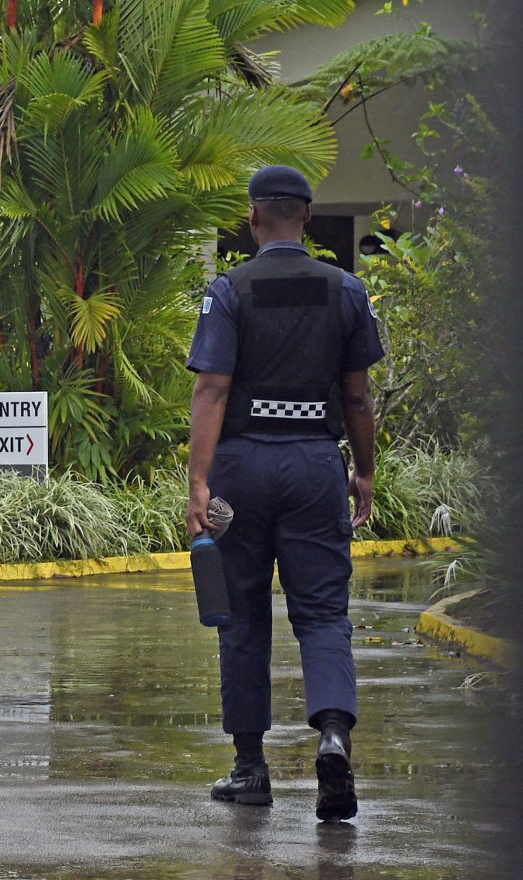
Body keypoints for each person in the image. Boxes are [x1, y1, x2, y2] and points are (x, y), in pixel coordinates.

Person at [186, 165, 384, 822]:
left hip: (241, 471)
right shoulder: (345, 290)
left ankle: (250, 769)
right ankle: (332, 734)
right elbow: (356, 395)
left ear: (252, 220)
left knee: (242, 617)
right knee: (324, 613)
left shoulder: (229, 290)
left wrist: (199, 483)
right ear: (306, 216)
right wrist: (364, 471)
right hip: (313, 468)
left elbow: (211, 389)